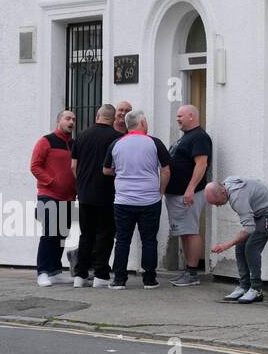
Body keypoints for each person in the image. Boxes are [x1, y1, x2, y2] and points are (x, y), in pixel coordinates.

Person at [105, 110, 171, 290]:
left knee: (122, 240)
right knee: (149, 240)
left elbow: (106, 170)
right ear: (142, 123)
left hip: (123, 200)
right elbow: (165, 170)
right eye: (146, 121)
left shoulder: (117, 143)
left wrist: (122, 172)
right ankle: (149, 279)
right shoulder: (154, 143)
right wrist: (161, 191)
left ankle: (119, 279)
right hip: (149, 200)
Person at [70, 104, 122, 288]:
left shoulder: (82, 136)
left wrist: (81, 184)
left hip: (85, 193)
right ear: (114, 118)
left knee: (86, 235)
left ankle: (80, 275)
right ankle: (100, 275)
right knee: (106, 234)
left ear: (97, 115)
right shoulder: (117, 138)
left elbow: (73, 166)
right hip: (108, 193)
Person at [205, 178, 268, 304]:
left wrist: (226, 245)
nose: (217, 205)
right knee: (240, 247)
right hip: (258, 213)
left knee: (251, 248)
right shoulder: (227, 183)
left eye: (216, 202)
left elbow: (249, 228)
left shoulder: (237, 198)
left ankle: (256, 289)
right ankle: (244, 286)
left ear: (222, 192)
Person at [165, 105, 212, 286]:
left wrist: (190, 188)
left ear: (191, 116)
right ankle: (187, 269)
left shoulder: (199, 137)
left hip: (187, 194)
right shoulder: (186, 137)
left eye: (180, 116)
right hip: (177, 194)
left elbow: (201, 164)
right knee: (184, 232)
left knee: (190, 231)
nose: (177, 119)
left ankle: (192, 273)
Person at [30, 110, 76, 286]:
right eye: (67, 118)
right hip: (48, 195)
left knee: (62, 234)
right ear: (59, 121)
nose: (71, 122)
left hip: (68, 197)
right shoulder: (46, 141)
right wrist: (51, 181)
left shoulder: (73, 144)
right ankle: (42, 272)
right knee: (49, 234)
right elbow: (35, 166)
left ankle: (55, 271)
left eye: (73, 119)